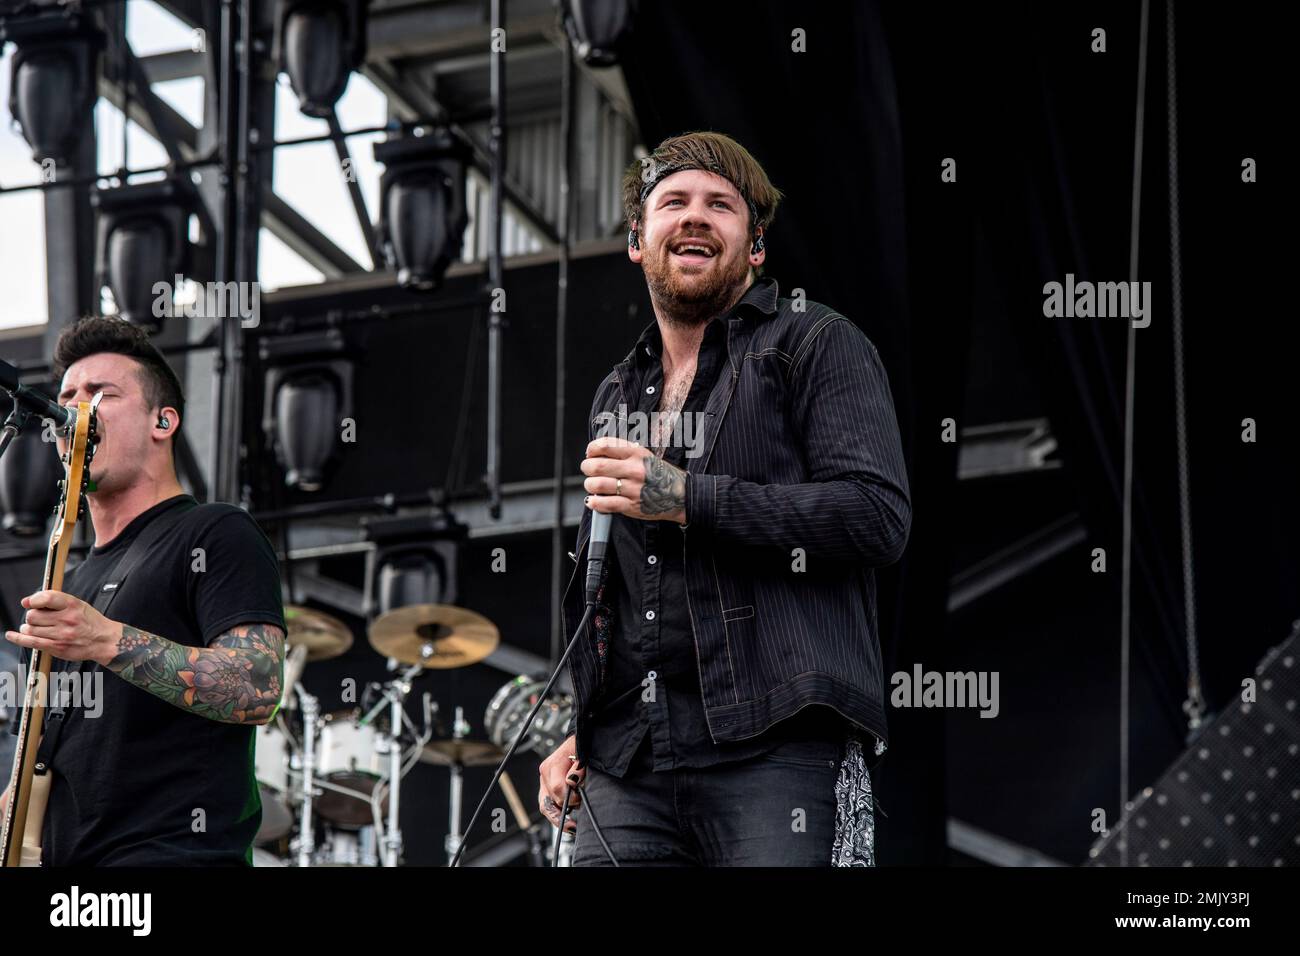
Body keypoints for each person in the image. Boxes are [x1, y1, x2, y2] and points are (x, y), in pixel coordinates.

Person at [538, 132, 911, 866]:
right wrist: (585, 725)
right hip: (629, 762)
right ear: (638, 241)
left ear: (756, 246)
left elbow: (876, 516)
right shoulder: (619, 388)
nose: (696, 217)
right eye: (673, 202)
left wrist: (686, 498)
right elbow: (619, 584)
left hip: (776, 744)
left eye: (722, 205)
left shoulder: (815, 343)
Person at [2, 317, 285, 866]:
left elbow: (257, 685)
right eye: (66, 396)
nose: (75, 410)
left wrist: (105, 639)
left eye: (101, 394)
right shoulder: (67, 582)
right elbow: (35, 775)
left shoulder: (214, 532)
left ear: (163, 420)